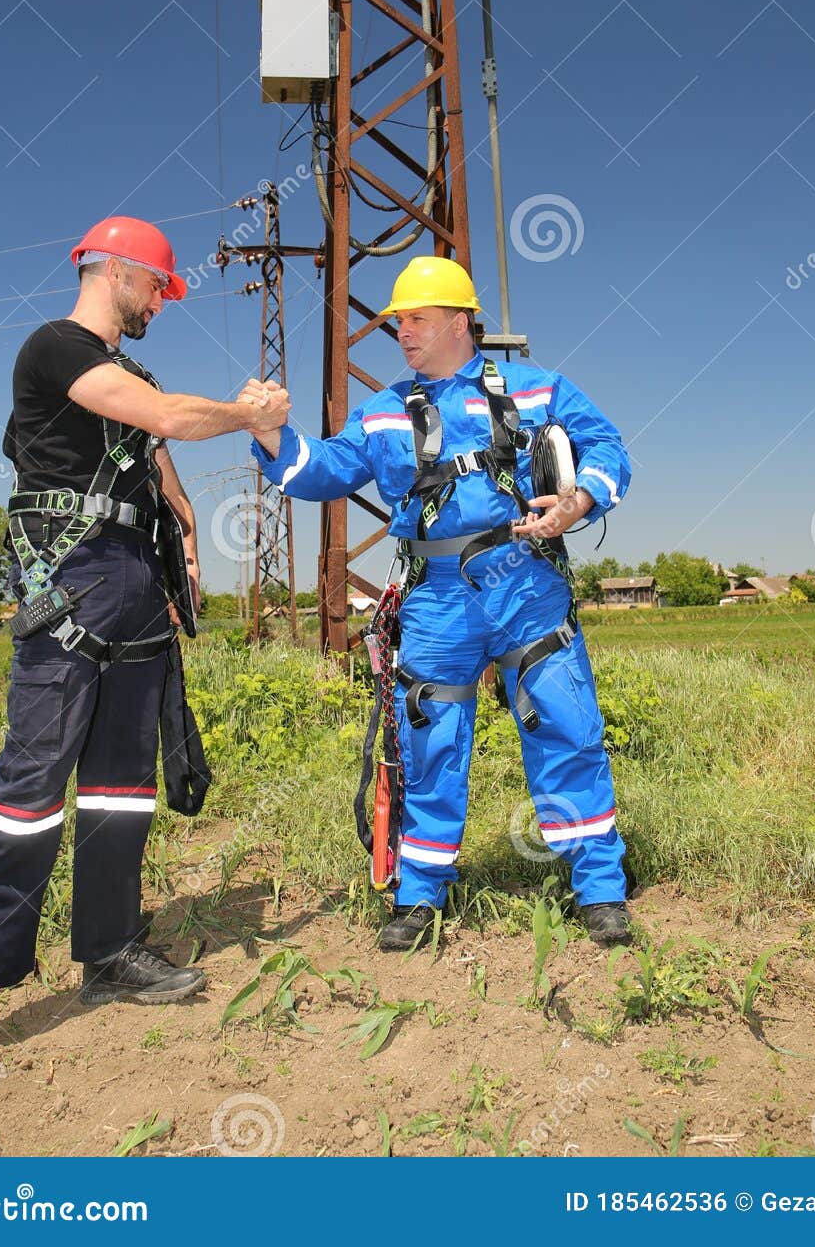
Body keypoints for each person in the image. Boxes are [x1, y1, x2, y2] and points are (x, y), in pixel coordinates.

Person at [0, 216, 290, 1093]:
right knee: (29, 790)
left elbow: (158, 466)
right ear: (114, 270)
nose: (164, 298)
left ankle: (110, 950)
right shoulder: (57, 349)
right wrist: (248, 413)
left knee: (123, 783)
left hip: (134, 587)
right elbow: (163, 418)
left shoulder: (132, 371)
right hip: (68, 583)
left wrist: (186, 546)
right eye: (158, 284)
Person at [248, 255, 632, 952]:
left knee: (566, 726)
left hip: (526, 585)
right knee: (427, 744)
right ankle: (420, 893)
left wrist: (576, 502)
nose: (403, 332)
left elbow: (608, 447)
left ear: (461, 320)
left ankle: (599, 889)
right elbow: (320, 470)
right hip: (437, 599)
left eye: (418, 319)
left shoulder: (538, 388)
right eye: (398, 322)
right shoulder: (383, 411)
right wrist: (270, 431)